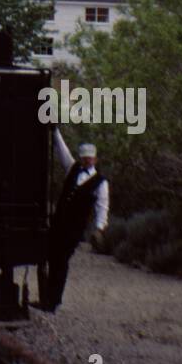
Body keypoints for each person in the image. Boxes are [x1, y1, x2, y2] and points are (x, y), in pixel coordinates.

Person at [42, 131, 109, 312]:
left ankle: (53, 301)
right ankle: (47, 297)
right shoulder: (72, 168)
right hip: (58, 224)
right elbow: (61, 150)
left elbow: (102, 207)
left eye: (89, 158)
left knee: (61, 260)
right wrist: (54, 131)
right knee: (51, 258)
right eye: (84, 158)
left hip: (74, 229)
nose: (86, 160)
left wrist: (99, 228)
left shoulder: (101, 183)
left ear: (95, 160)